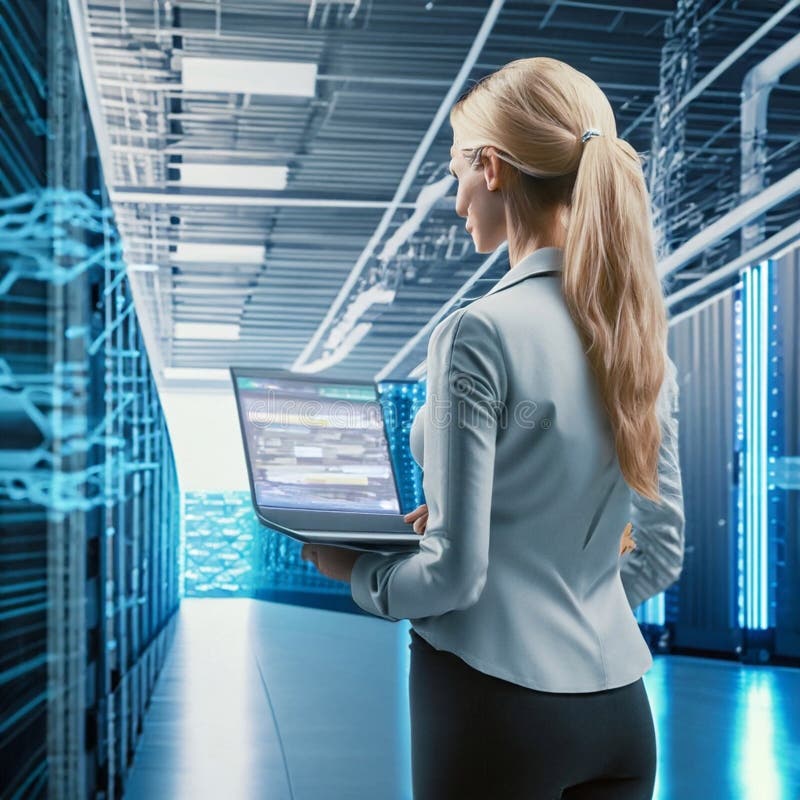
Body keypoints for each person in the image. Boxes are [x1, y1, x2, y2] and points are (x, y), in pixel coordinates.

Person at [301, 56, 685, 800]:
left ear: (492, 167)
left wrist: (357, 572)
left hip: (495, 715)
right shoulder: (638, 339)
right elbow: (660, 552)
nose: (455, 202)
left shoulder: (477, 333)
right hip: (619, 716)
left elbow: (452, 575)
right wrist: (561, 592)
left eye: (456, 176)